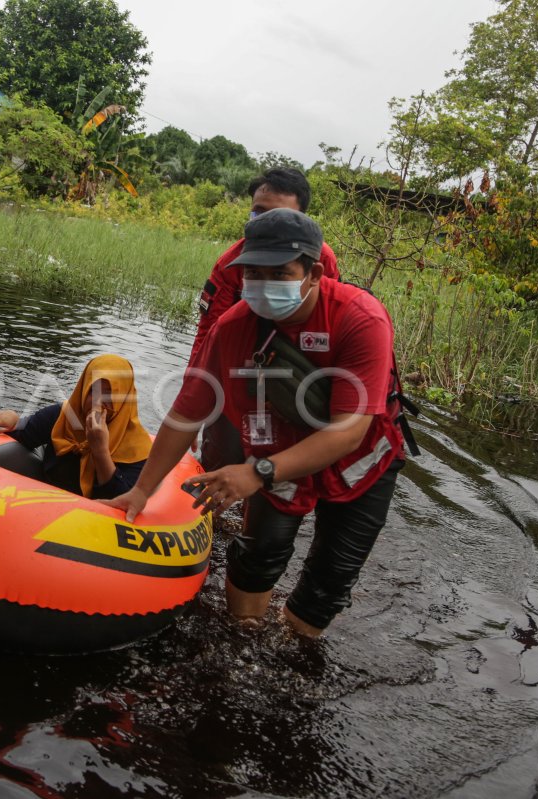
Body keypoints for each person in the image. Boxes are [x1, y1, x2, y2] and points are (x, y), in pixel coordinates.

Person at [105, 209, 406, 638]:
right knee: (257, 555)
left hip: (361, 462)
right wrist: (140, 490)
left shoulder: (359, 318)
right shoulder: (233, 328)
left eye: (279, 272)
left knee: (330, 579)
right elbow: (187, 414)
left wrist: (256, 471)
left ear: (314, 272)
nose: (263, 284)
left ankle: (297, 642)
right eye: (253, 272)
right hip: (278, 448)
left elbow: (349, 429)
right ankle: (243, 638)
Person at [193, 167, 341, 473]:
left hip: (290, 380)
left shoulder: (322, 260)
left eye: (279, 215)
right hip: (236, 378)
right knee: (218, 460)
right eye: (258, 213)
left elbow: (327, 325)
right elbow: (208, 334)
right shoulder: (230, 263)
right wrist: (195, 404)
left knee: (276, 471)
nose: (267, 223)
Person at [0, 354, 151, 499]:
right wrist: (15, 421)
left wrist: (100, 451)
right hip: (46, 508)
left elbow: (122, 501)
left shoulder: (136, 447)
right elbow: (25, 432)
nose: (99, 402)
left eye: (110, 394)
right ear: (83, 389)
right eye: (93, 391)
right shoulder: (64, 416)